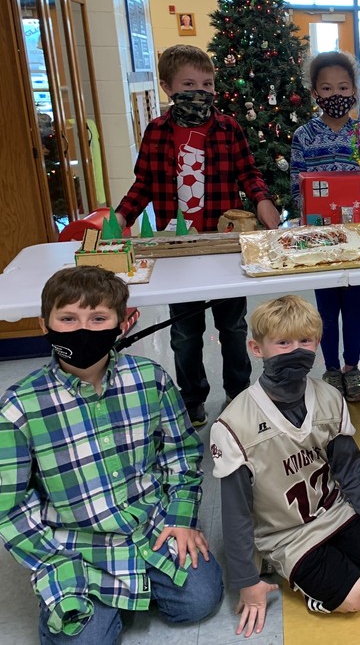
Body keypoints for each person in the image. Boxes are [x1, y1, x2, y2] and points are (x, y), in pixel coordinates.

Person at [0, 267, 222, 645]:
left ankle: (123, 589)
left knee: (198, 602)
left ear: (122, 324)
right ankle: (104, 595)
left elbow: (181, 454)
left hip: (150, 526)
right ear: (44, 324)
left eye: (98, 319)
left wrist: (181, 518)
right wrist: (53, 565)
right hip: (74, 545)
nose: (82, 330)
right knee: (80, 640)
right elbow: (11, 506)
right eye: (67, 318)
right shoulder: (18, 407)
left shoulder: (150, 379)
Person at [210, 295, 360, 636]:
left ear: (317, 343)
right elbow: (236, 512)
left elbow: (350, 472)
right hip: (284, 534)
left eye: (305, 341)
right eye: (282, 343)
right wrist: (246, 580)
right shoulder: (234, 424)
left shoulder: (330, 398)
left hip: (334, 512)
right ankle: (289, 572)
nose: (295, 351)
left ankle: (329, 566)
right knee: (357, 595)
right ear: (257, 349)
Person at [115, 44, 281, 427]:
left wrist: (262, 201)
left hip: (224, 246)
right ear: (166, 87)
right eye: (189, 83)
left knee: (233, 326)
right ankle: (192, 399)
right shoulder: (157, 132)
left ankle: (239, 395)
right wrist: (123, 215)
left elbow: (249, 173)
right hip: (179, 249)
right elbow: (143, 184)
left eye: (207, 83)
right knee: (185, 333)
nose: (200, 91)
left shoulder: (228, 128)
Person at [291, 51, 360, 402]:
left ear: (354, 89)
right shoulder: (304, 135)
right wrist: (306, 213)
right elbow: (297, 183)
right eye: (326, 88)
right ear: (315, 93)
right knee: (326, 306)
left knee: (354, 303)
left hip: (358, 236)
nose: (335, 94)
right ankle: (331, 367)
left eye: (343, 86)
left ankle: (352, 367)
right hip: (320, 236)